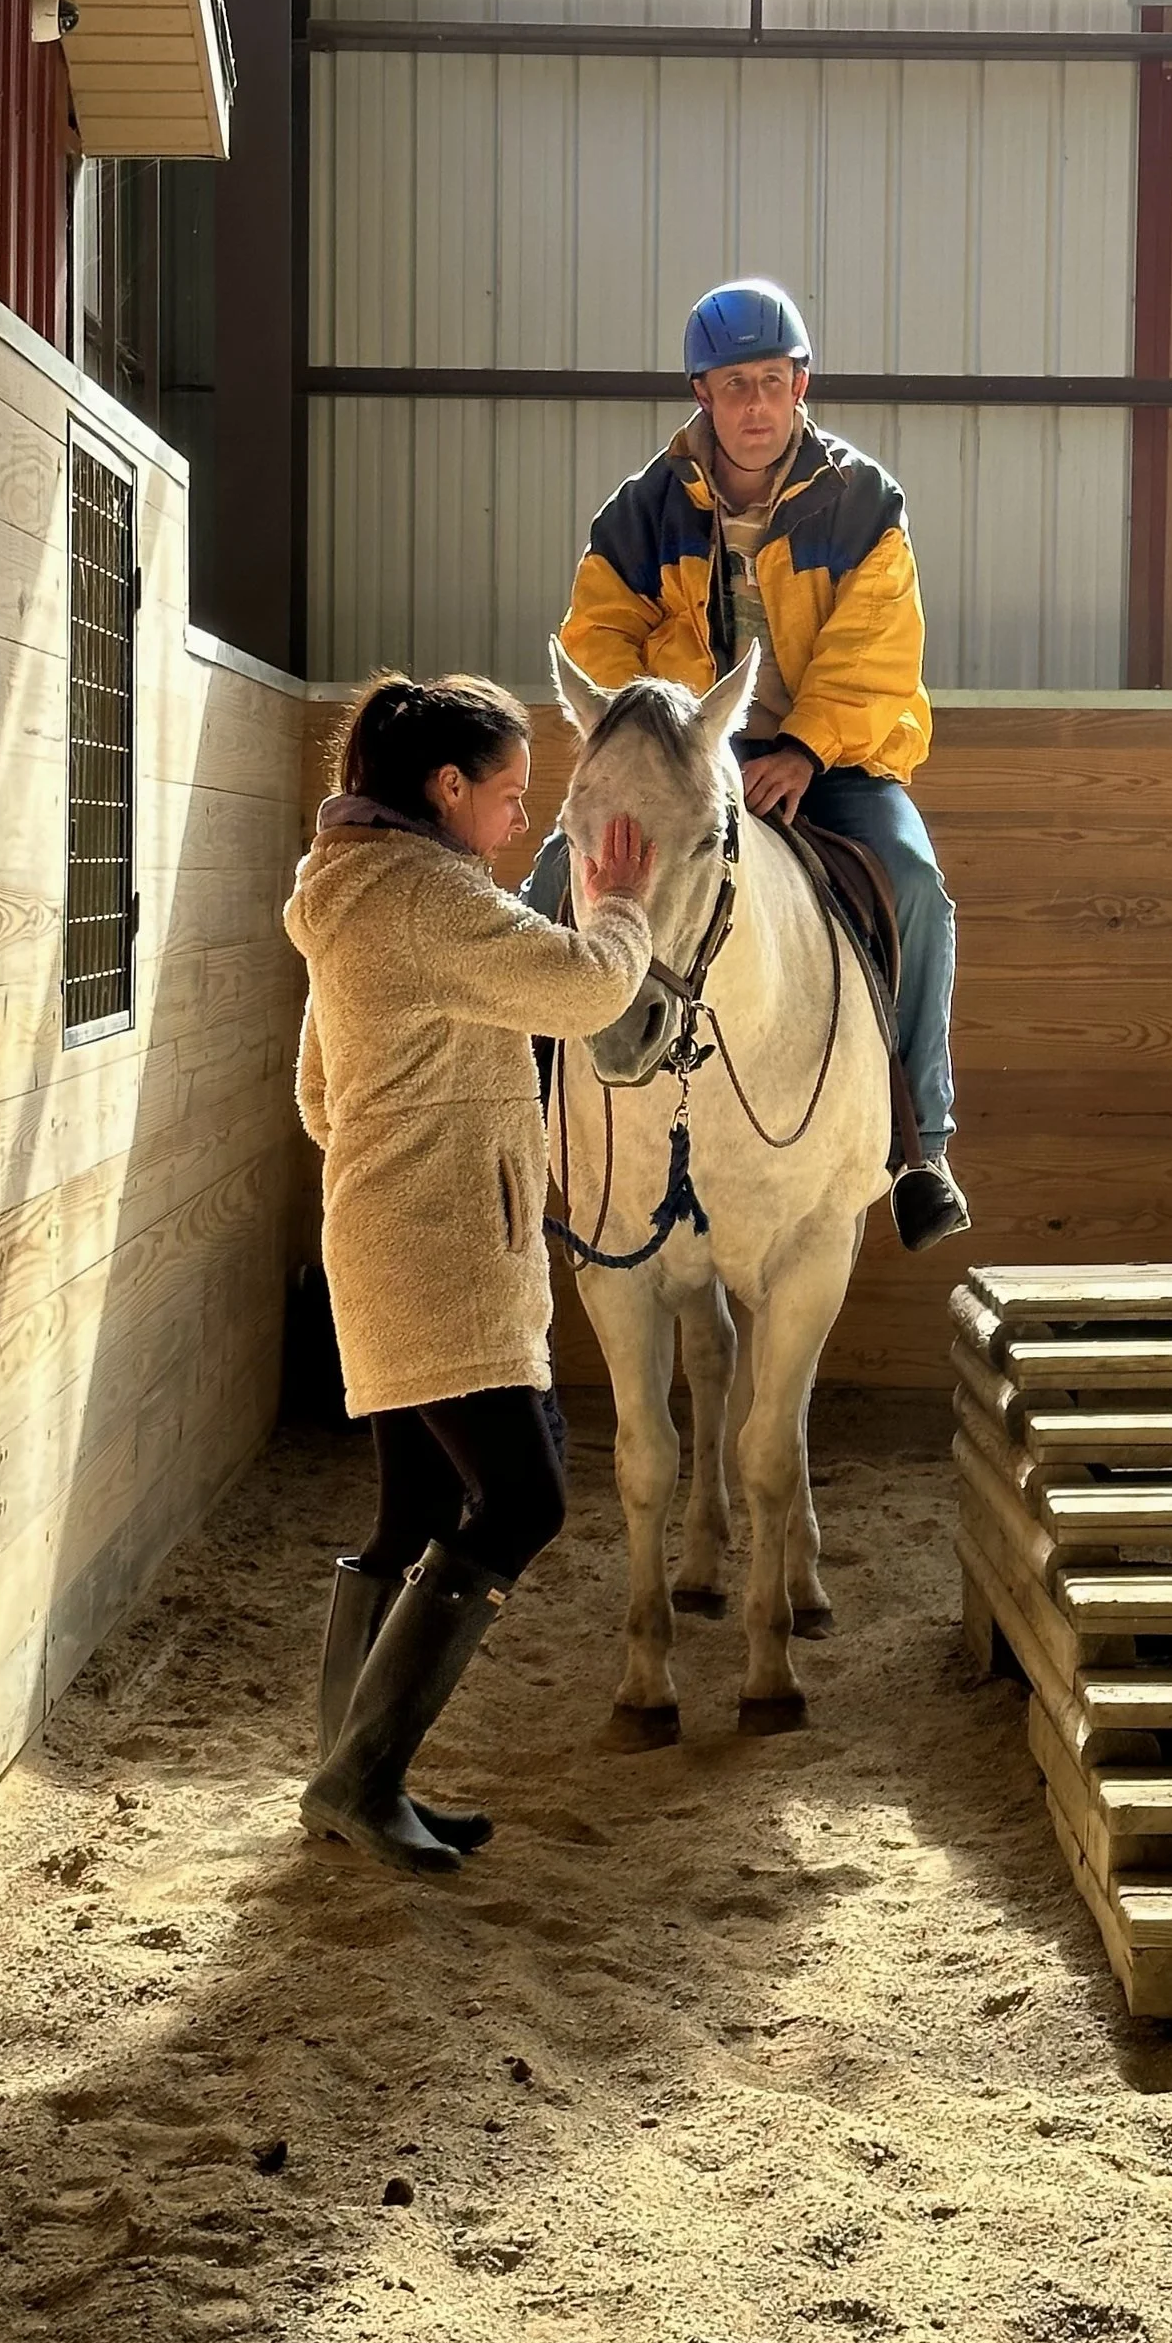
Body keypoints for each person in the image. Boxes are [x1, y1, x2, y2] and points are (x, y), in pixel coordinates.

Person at [284, 672, 656, 1875]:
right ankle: (361, 1775)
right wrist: (622, 899)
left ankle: (348, 1776)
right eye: (508, 796)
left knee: (418, 1511)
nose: (519, 822)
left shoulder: (357, 896)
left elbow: (316, 1098)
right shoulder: (428, 900)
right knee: (526, 1501)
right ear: (446, 791)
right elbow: (594, 988)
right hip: (439, 1251)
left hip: (391, 1237)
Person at [525, 278, 971, 1252]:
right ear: (703, 394)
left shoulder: (863, 503)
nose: (756, 406)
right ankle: (528, 1107)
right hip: (689, 759)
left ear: (800, 383)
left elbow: (874, 645)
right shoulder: (641, 513)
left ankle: (921, 1147)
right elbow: (599, 639)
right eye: (735, 387)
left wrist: (808, 746)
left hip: (833, 755)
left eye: (772, 382)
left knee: (915, 884)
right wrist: (665, 740)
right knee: (557, 876)